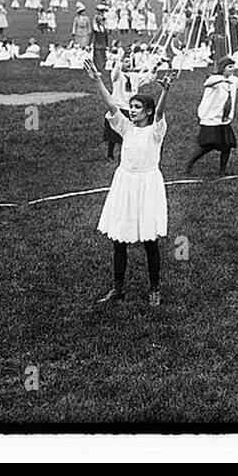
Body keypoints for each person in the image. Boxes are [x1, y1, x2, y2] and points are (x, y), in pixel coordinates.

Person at [83, 59, 175, 306]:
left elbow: (160, 113)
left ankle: (155, 288)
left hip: (147, 185)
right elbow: (112, 106)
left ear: (147, 112)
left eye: (137, 107)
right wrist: (98, 81)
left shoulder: (156, 131)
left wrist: (165, 91)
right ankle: (118, 287)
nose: (132, 110)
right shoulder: (127, 128)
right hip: (125, 183)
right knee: (119, 239)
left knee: (149, 241)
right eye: (131, 106)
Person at [186, 56, 238, 175]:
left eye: (233, 66)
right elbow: (207, 83)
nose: (232, 69)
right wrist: (222, 80)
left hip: (224, 119)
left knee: (227, 145)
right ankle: (190, 163)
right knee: (207, 146)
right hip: (211, 118)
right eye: (229, 67)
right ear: (223, 68)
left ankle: (222, 170)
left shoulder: (233, 80)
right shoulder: (215, 79)